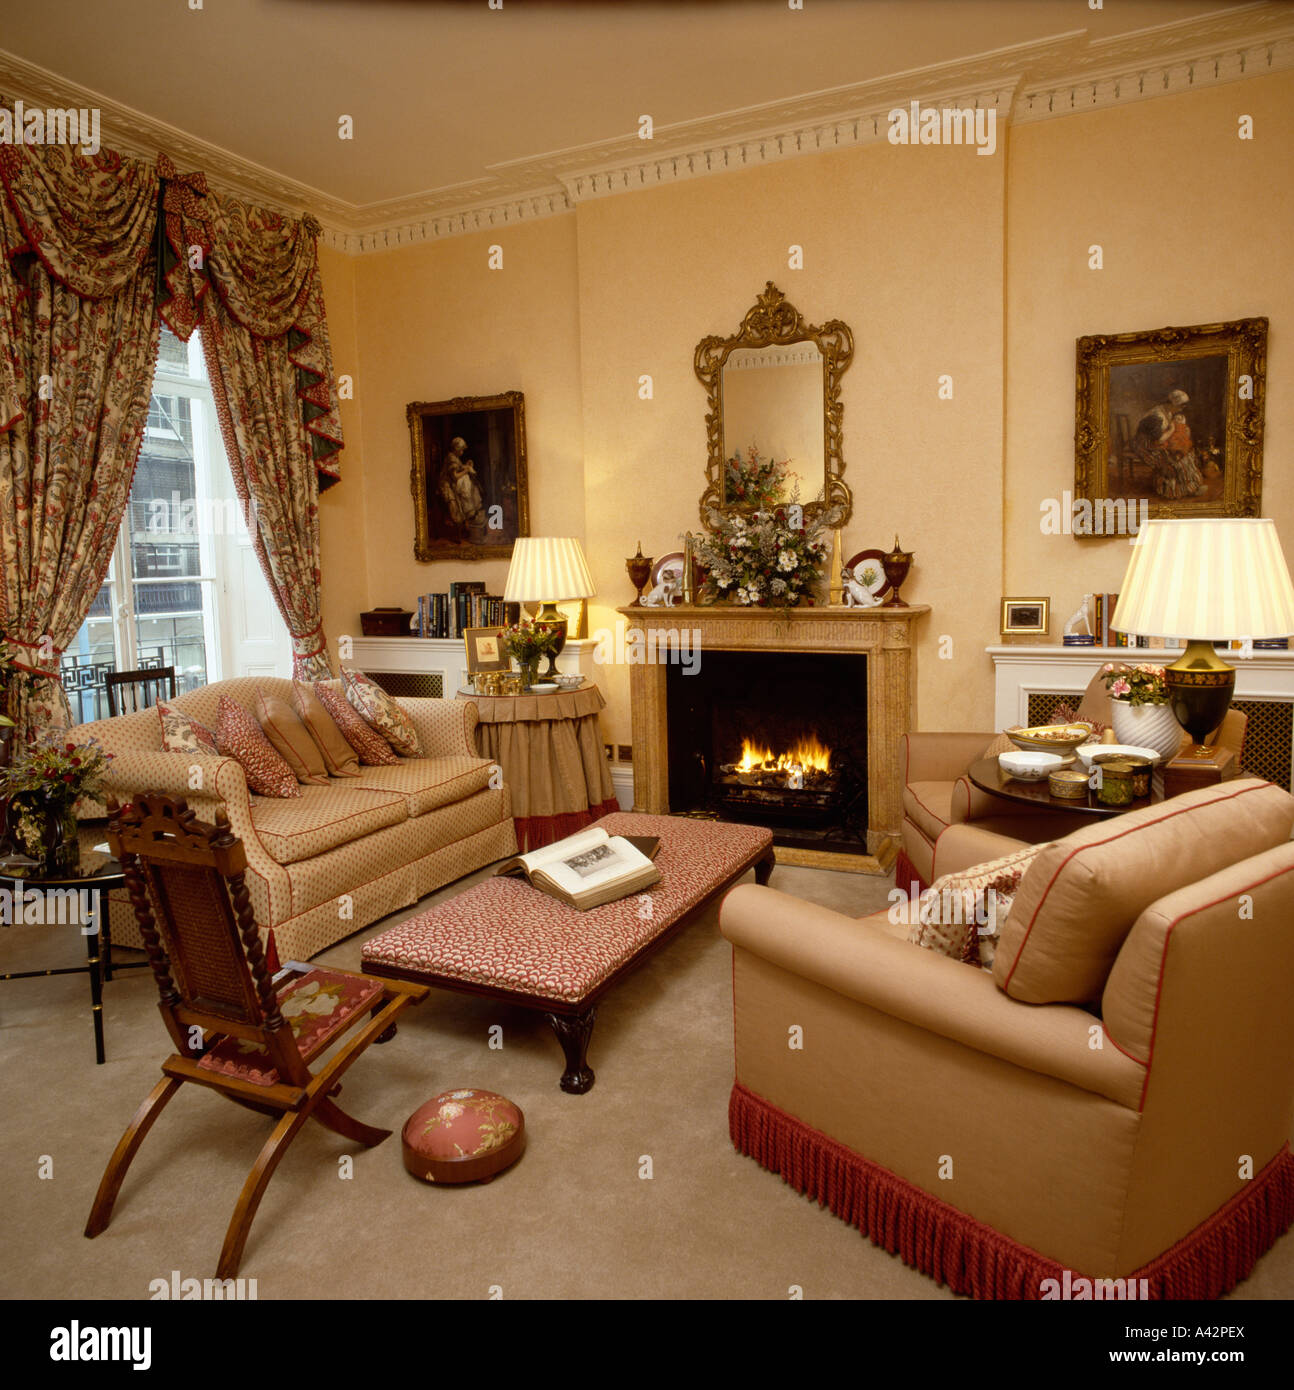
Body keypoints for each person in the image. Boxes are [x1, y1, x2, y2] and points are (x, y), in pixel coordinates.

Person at [1132, 389, 1204, 499]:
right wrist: (1172, 429)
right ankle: (1172, 491)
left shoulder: (1168, 412)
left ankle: (1191, 487)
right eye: (1180, 406)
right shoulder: (1157, 416)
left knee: (1184, 453)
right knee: (1174, 459)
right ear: (1172, 404)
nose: (1181, 409)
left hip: (1157, 443)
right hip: (1145, 446)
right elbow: (1158, 439)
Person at [437, 436, 488, 542]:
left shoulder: (454, 457)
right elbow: (455, 476)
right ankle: (459, 529)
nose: (462, 452)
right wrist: (467, 470)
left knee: (469, 491)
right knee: (459, 501)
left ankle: (468, 525)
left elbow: (458, 469)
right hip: (446, 486)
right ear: (456, 449)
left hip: (453, 484)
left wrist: (466, 466)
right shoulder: (451, 458)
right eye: (461, 450)